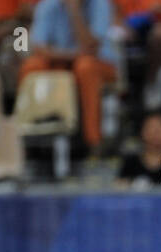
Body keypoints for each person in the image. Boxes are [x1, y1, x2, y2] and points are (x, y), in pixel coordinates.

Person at [19, 0, 117, 149]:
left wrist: (74, 11)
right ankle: (27, 134)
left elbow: (90, 47)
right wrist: (71, 56)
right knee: (32, 66)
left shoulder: (101, 4)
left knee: (85, 67)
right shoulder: (48, 5)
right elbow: (38, 48)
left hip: (100, 64)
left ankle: (93, 141)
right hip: (64, 61)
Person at [117, 111, 161, 186]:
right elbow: (119, 186)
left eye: (159, 129)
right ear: (142, 132)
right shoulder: (131, 163)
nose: (154, 133)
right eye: (150, 128)